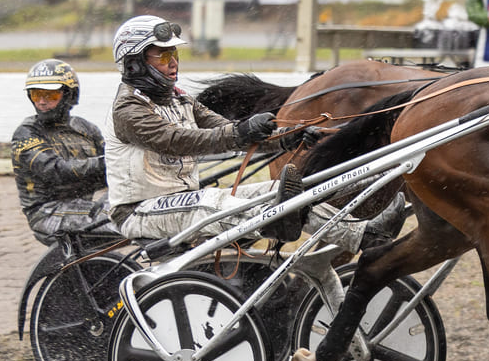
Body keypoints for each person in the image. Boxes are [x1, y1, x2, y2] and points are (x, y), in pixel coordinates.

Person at [104, 14, 407, 280]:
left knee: (283, 190)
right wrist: (240, 132)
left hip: (182, 202)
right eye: (162, 56)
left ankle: (366, 235)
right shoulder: (129, 109)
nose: (173, 63)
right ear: (134, 63)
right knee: (213, 204)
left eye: (174, 54)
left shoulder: (180, 99)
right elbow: (179, 141)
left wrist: (288, 136)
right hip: (139, 212)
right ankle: (278, 222)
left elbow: (222, 127)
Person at [11, 59, 110, 245]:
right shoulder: (27, 133)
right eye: (36, 95)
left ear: (69, 95)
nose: (42, 102)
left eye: (50, 95)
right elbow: (56, 171)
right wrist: (112, 161)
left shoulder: (86, 129)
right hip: (48, 214)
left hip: (81, 207)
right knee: (122, 219)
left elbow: (109, 173)